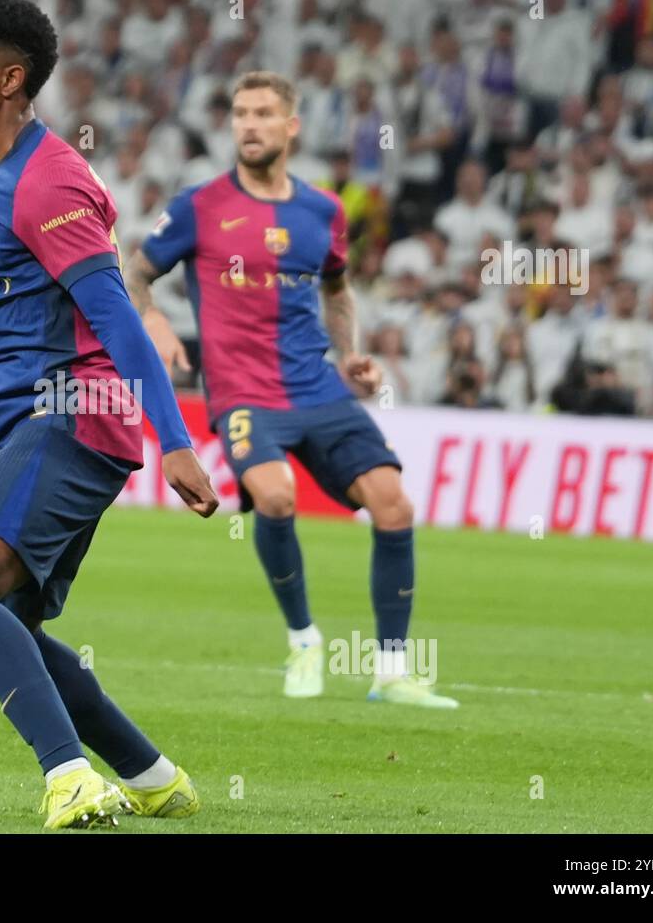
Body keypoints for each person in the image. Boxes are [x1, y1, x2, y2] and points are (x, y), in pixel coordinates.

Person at [0, 0, 219, 830]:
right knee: (6, 619)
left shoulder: (46, 180)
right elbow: (27, 326)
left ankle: (70, 779)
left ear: (11, 78)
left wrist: (178, 441)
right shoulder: (2, 179)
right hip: (48, 414)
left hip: (72, 418)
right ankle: (152, 777)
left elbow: (115, 316)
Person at [125, 71, 458, 708]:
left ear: (290, 127)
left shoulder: (323, 210)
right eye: (240, 113)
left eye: (262, 113)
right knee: (274, 497)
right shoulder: (200, 205)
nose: (248, 124)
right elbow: (134, 274)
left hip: (317, 385)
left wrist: (353, 354)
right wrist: (156, 320)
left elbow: (336, 288)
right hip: (244, 393)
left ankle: (390, 670)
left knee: (395, 506)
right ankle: (304, 641)